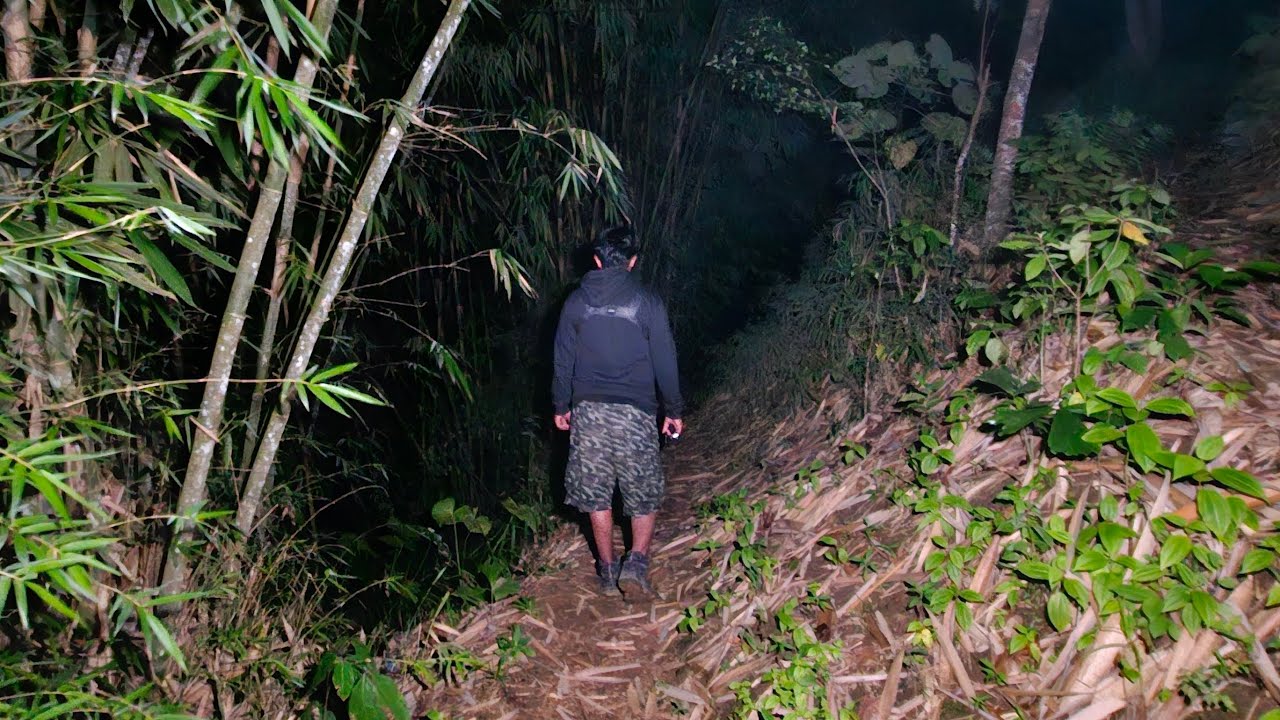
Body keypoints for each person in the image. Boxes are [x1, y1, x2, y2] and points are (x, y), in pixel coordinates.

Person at [552, 225, 684, 599]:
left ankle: (607, 571)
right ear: (632, 261)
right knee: (643, 491)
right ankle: (637, 563)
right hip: (636, 413)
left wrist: (561, 405)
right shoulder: (647, 301)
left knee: (596, 494)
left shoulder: (575, 302)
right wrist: (673, 409)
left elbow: (561, 361)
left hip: (588, 413)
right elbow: (665, 361)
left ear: (596, 260)